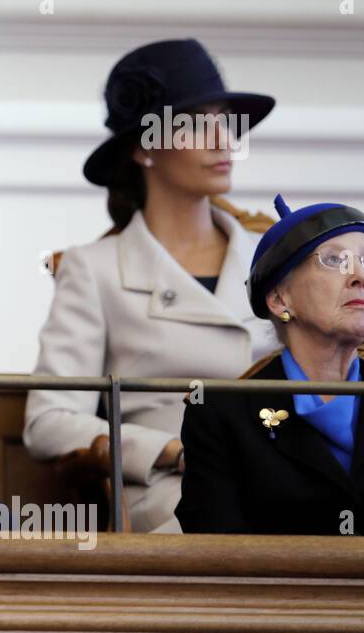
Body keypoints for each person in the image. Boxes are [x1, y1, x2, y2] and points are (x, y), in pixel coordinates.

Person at [24, 39, 279, 532]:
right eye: (196, 123)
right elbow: (48, 421)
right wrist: (165, 450)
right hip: (176, 494)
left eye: (225, 121)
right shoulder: (94, 268)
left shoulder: (274, 254)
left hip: (287, 474)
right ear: (144, 147)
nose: (223, 138)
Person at [178, 196, 364, 535]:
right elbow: (214, 560)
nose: (359, 277)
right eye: (335, 260)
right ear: (280, 300)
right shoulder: (219, 416)